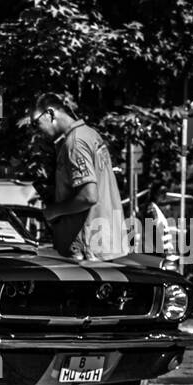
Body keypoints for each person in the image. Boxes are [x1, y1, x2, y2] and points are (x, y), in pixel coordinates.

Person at [30, 93, 127, 260]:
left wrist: (54, 211)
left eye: (36, 122)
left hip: (90, 252)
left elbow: (88, 196)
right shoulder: (90, 134)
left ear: (50, 113)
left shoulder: (75, 143)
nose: (36, 129)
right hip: (106, 243)